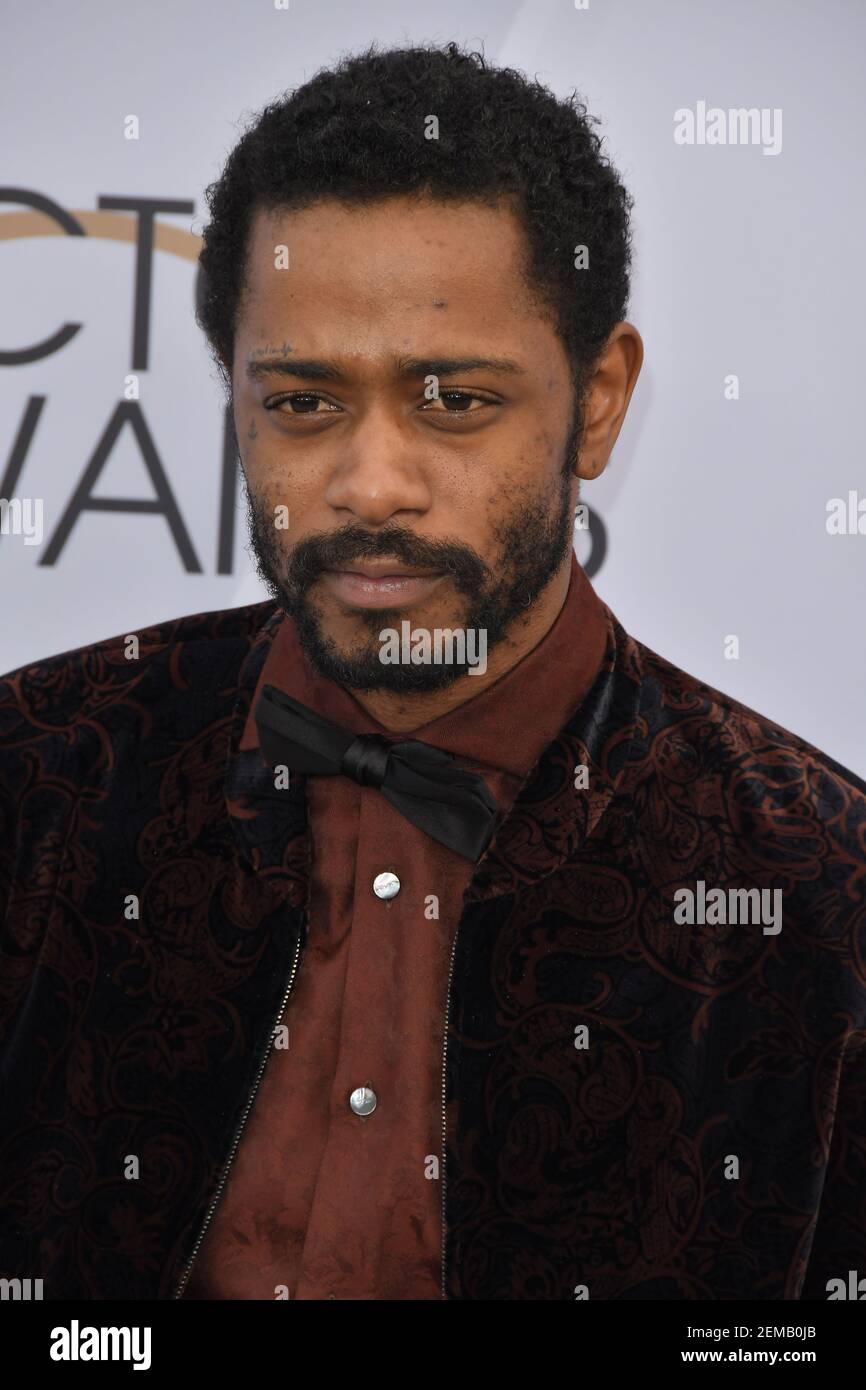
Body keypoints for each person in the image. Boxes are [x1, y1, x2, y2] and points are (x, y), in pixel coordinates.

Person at [1, 41, 864, 1302]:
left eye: (454, 400)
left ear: (599, 399)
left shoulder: (819, 895)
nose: (369, 486)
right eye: (302, 403)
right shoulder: (34, 776)